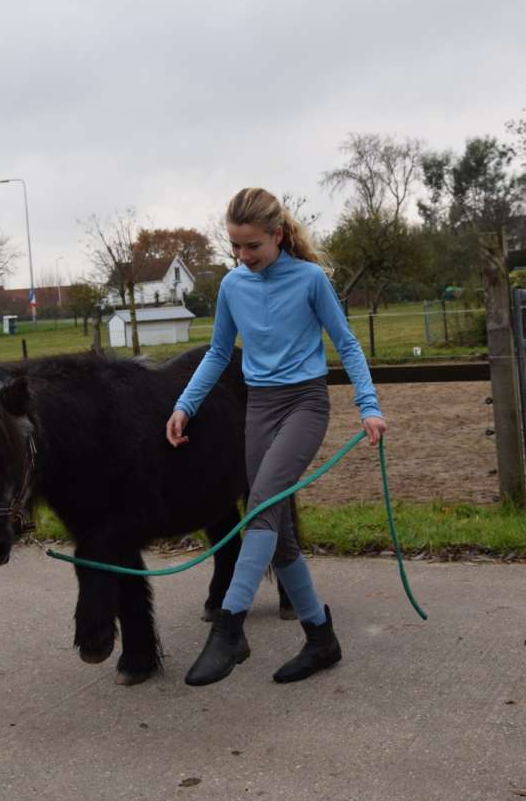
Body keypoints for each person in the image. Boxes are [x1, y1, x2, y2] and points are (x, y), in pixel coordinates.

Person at [165, 187, 386, 687]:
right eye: (235, 248)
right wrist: (185, 404)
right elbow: (219, 354)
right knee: (279, 535)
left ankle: (229, 627)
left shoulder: (310, 280)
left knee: (262, 504)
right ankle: (321, 640)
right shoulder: (231, 286)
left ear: (277, 236)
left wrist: (368, 406)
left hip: (305, 404)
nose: (243, 257)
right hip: (259, 408)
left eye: (253, 247)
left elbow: (347, 344)